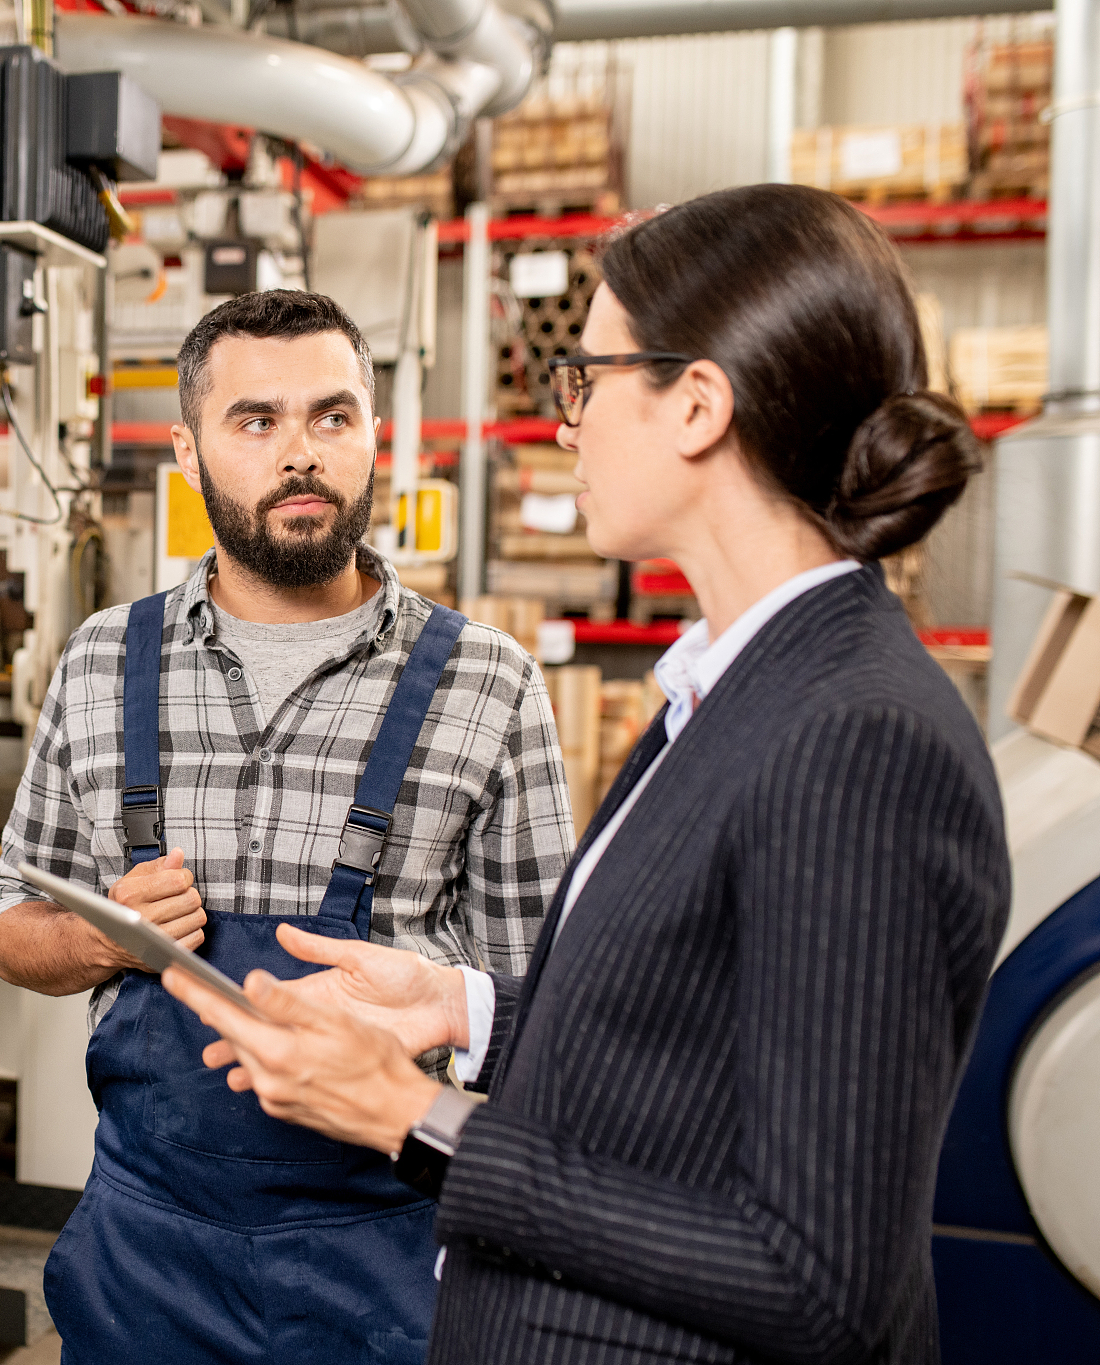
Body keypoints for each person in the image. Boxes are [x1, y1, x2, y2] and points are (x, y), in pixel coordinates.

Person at [164, 182, 1011, 1365]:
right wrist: (461, 1011)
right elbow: (687, 1052)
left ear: (696, 406)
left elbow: (820, 1280)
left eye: (589, 380)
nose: (564, 422)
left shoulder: (851, 735)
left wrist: (412, 1114)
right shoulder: (729, 687)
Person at [0, 289, 576, 1364]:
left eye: (330, 416)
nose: (298, 453)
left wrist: (435, 1011)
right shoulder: (103, 662)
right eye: (255, 421)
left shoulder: (489, 685)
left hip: (379, 1271)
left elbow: (546, 1009)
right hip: (141, 1266)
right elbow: (8, 923)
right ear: (187, 450)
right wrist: (94, 937)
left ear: (373, 435)